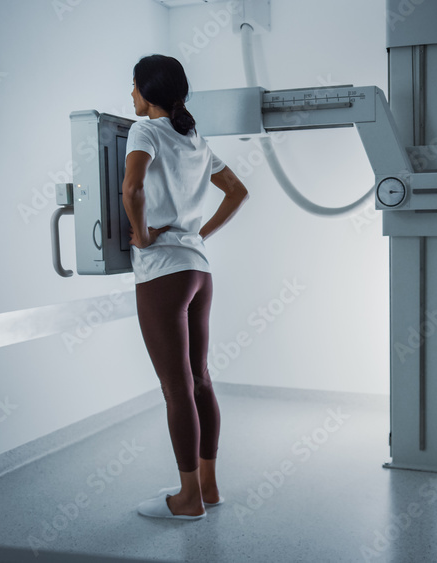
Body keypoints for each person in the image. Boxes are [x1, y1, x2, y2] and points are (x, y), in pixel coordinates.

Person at [123, 54, 248, 520]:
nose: (130, 95)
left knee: (175, 389)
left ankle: (187, 498)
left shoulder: (146, 131)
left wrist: (142, 233)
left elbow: (132, 188)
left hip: (163, 274)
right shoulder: (193, 138)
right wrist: (199, 236)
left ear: (148, 91)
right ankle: (209, 488)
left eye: (133, 87)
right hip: (199, 271)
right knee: (200, 381)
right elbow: (237, 191)